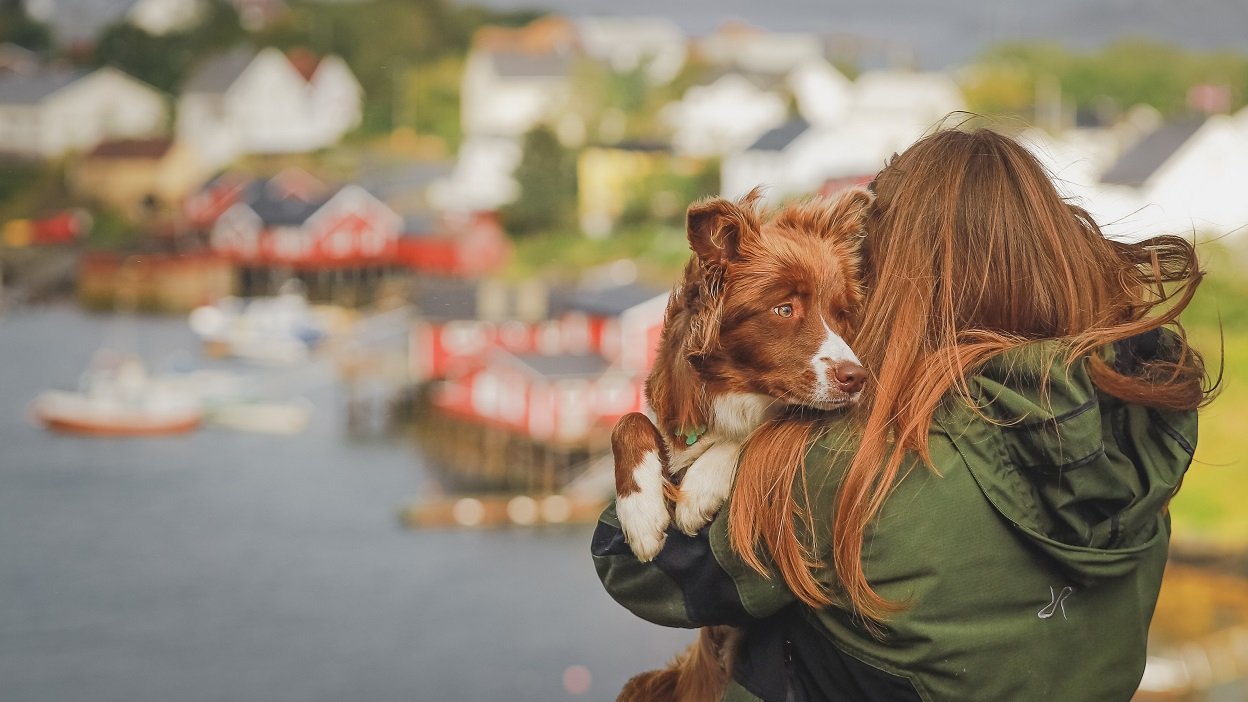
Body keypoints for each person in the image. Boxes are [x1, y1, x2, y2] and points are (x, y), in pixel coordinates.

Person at [591, 126, 1215, 701]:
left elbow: (638, 569)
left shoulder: (851, 461)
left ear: (905, 278)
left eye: (872, 255)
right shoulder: (1138, 434)